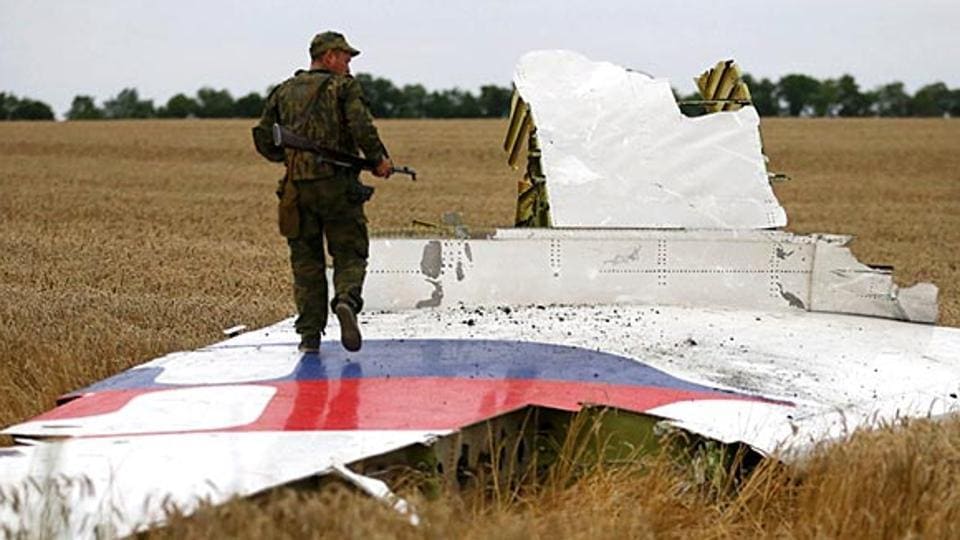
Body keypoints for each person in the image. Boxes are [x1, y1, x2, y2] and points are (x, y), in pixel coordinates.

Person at [252, 31, 393, 353]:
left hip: (296, 191)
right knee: (349, 253)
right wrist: (378, 160)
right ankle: (345, 301)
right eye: (346, 58)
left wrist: (288, 158)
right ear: (329, 57)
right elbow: (362, 127)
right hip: (337, 187)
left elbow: (263, 137)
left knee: (306, 264)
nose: (349, 65)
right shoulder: (343, 88)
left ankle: (309, 337)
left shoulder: (283, 91)